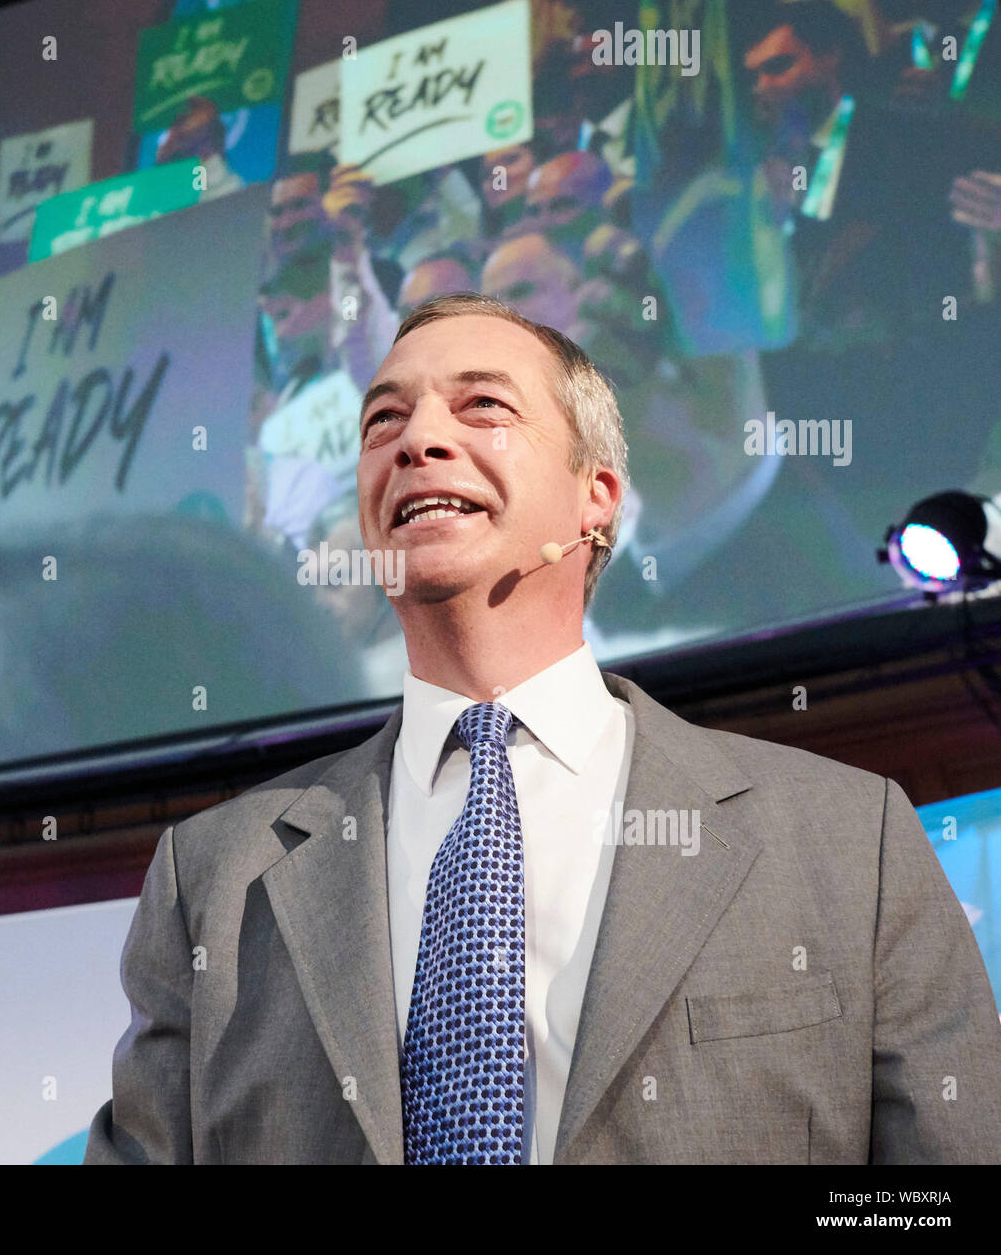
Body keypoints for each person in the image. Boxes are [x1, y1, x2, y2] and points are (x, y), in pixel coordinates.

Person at [85, 291, 1001, 1165]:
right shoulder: (213, 878)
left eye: (482, 406)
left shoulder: (849, 842)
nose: (417, 442)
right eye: (381, 423)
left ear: (596, 496)